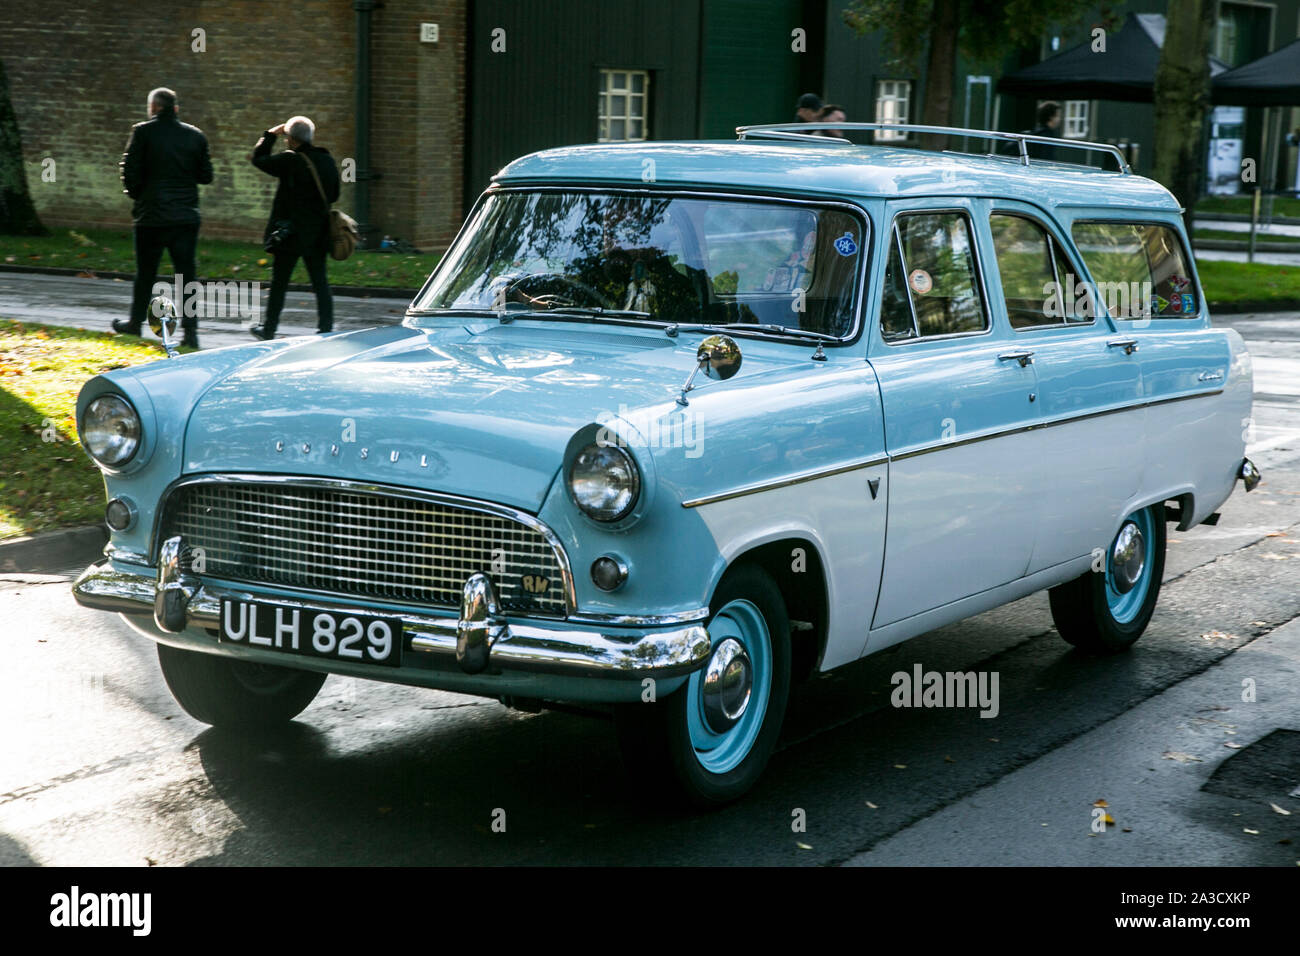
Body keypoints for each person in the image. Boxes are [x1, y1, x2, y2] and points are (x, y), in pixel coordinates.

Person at [115, 87, 212, 349]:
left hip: (151, 215)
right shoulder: (195, 136)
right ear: (176, 109)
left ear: (153, 108)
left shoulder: (143, 132)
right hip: (185, 217)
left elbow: (129, 168)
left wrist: (138, 195)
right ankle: (191, 333)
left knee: (146, 273)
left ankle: (135, 324)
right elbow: (206, 176)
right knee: (186, 276)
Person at [247, 115, 339, 339]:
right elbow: (334, 194)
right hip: (317, 232)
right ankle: (325, 329)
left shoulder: (289, 160)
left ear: (290, 139)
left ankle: (269, 330)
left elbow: (258, 159)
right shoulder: (326, 160)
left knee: (279, 283)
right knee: (320, 281)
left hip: (290, 233)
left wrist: (270, 135)